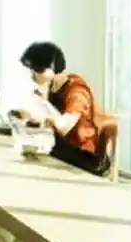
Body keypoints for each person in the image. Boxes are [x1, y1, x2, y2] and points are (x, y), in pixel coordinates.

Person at [14, 41, 112, 177]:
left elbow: (64, 126)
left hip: (85, 155)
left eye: (37, 70)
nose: (33, 75)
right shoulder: (53, 88)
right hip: (63, 149)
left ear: (52, 67)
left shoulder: (77, 90)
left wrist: (43, 103)